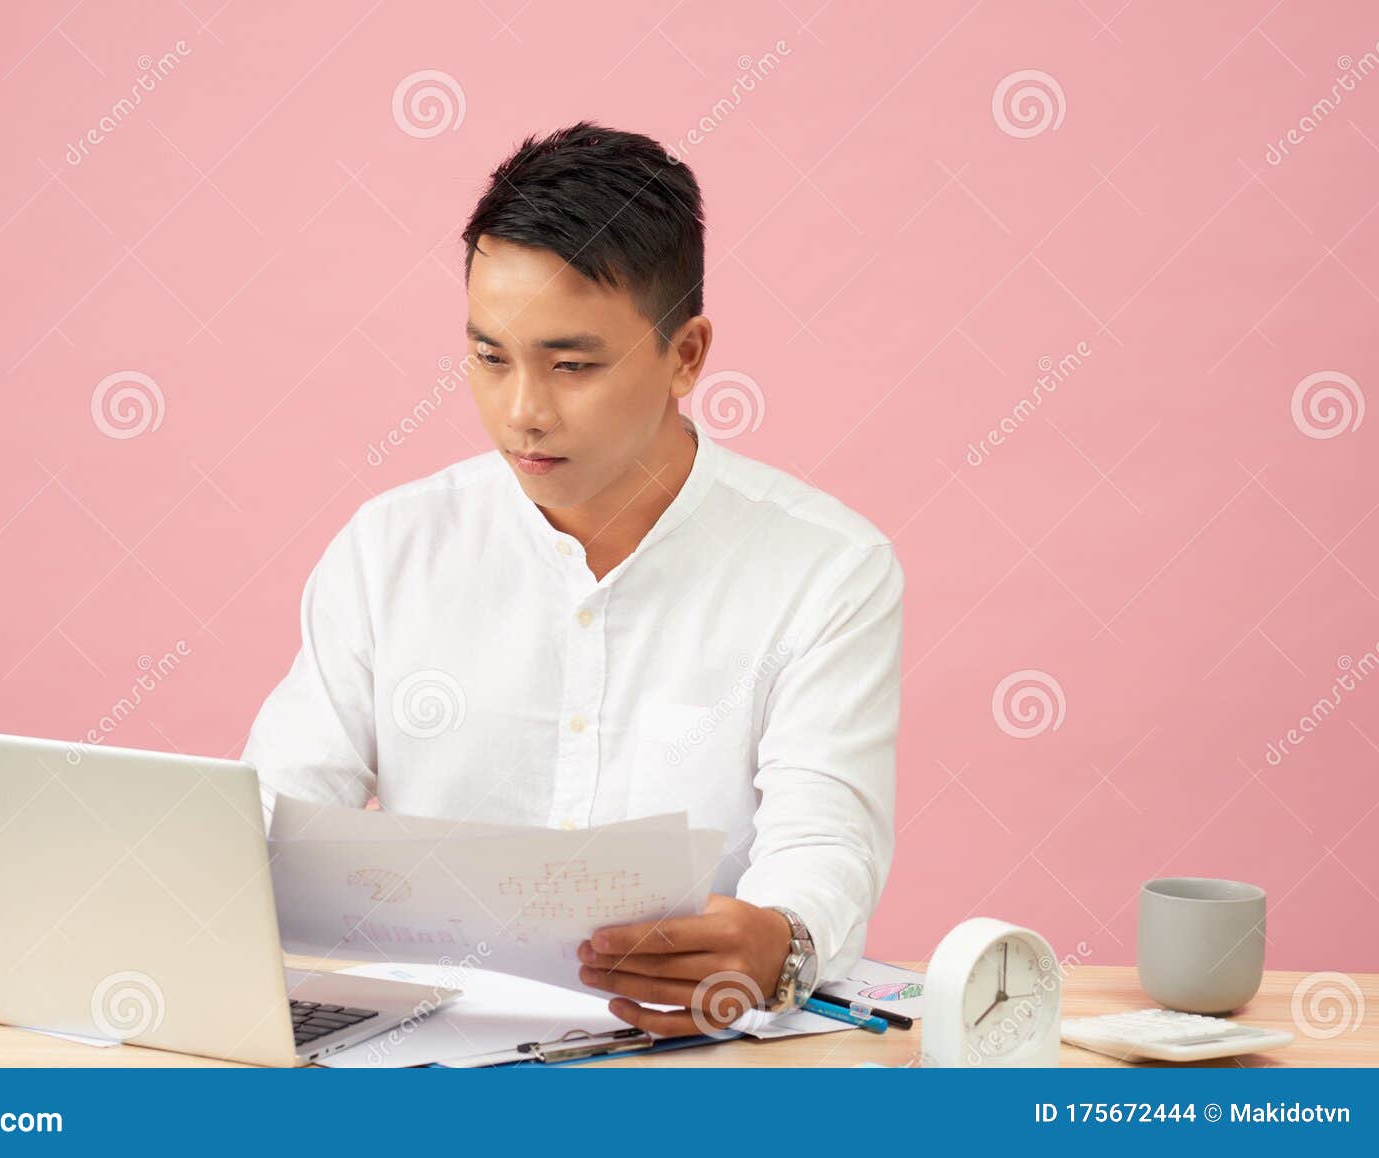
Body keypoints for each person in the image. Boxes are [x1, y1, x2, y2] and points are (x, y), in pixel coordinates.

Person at [244, 122, 903, 1037]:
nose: (522, 412)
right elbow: (267, 821)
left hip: (691, 1058)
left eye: (572, 366)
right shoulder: (390, 549)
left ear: (686, 355)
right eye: (490, 357)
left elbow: (824, 845)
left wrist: (779, 943)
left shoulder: (826, 569)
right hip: (424, 1058)